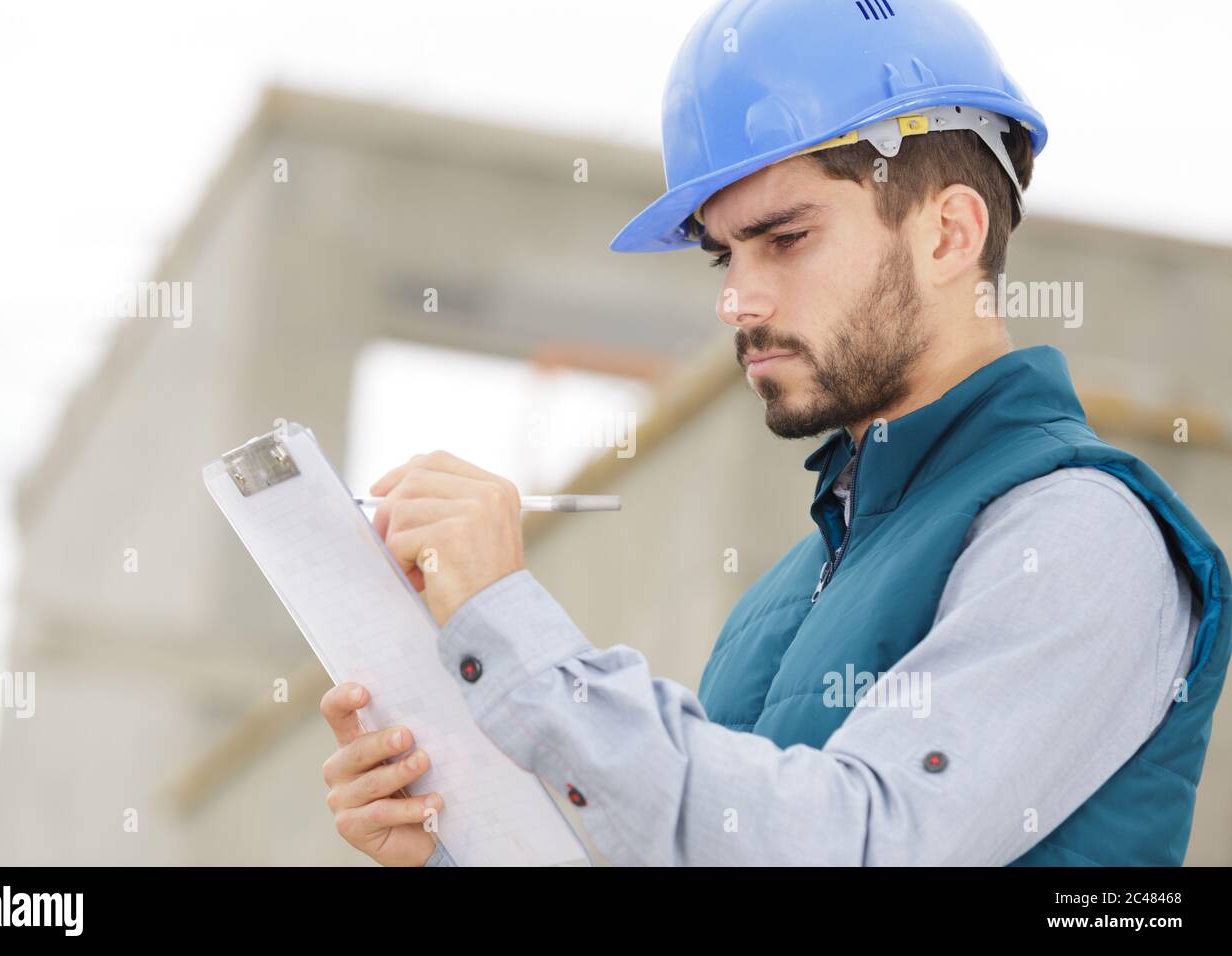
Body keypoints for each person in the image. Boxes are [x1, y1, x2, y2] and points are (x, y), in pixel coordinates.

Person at [318, 0, 1230, 866]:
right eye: (726, 255)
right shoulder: (787, 593)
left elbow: (862, 845)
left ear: (949, 234)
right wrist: (456, 836)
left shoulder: (1079, 534)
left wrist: (519, 642)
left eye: (785, 239)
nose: (736, 302)